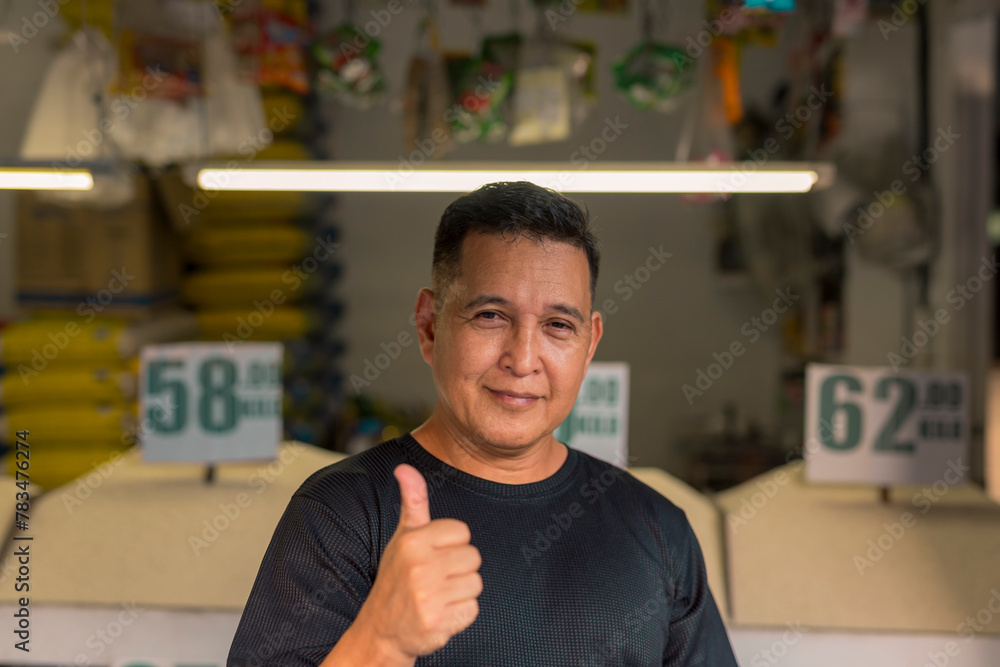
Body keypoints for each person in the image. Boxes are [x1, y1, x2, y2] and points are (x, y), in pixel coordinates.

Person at [227, 181, 739, 666]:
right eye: (491, 316)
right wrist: (381, 641)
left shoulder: (657, 528)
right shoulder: (343, 514)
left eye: (559, 326)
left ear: (589, 346)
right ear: (429, 326)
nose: (522, 359)